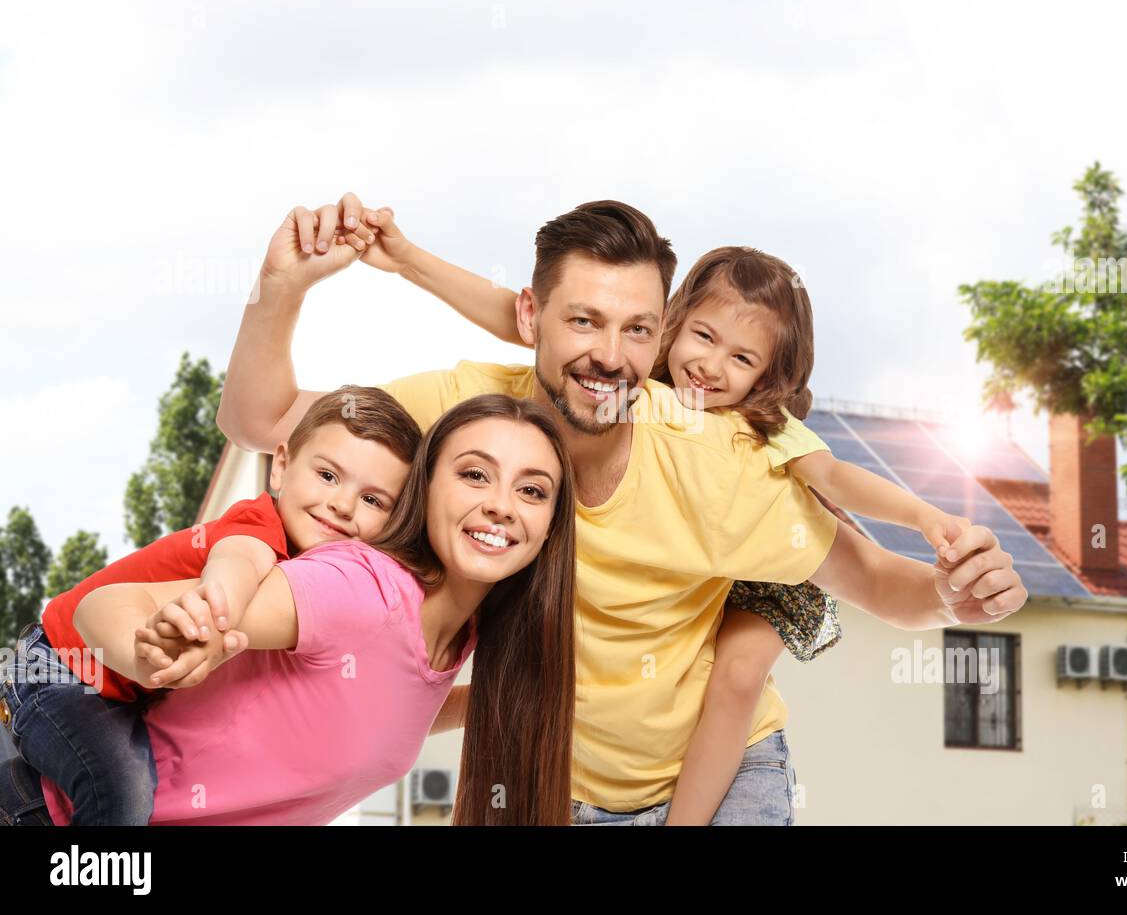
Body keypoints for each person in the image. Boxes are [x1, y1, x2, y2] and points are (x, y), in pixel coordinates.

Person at [216, 194, 1028, 825]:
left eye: (637, 328)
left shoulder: (717, 465)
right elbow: (263, 419)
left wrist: (955, 592)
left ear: (660, 335)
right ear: (532, 317)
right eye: (584, 321)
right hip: (557, 788)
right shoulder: (467, 417)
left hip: (726, 781)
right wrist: (277, 289)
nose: (610, 354)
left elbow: (879, 581)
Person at [0, 394, 577, 826]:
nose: (501, 506)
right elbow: (111, 604)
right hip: (41, 793)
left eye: (532, 490)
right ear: (428, 494)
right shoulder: (350, 584)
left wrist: (521, 698)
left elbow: (387, 699)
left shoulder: (466, 632)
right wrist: (171, 639)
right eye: (475, 474)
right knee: (120, 791)